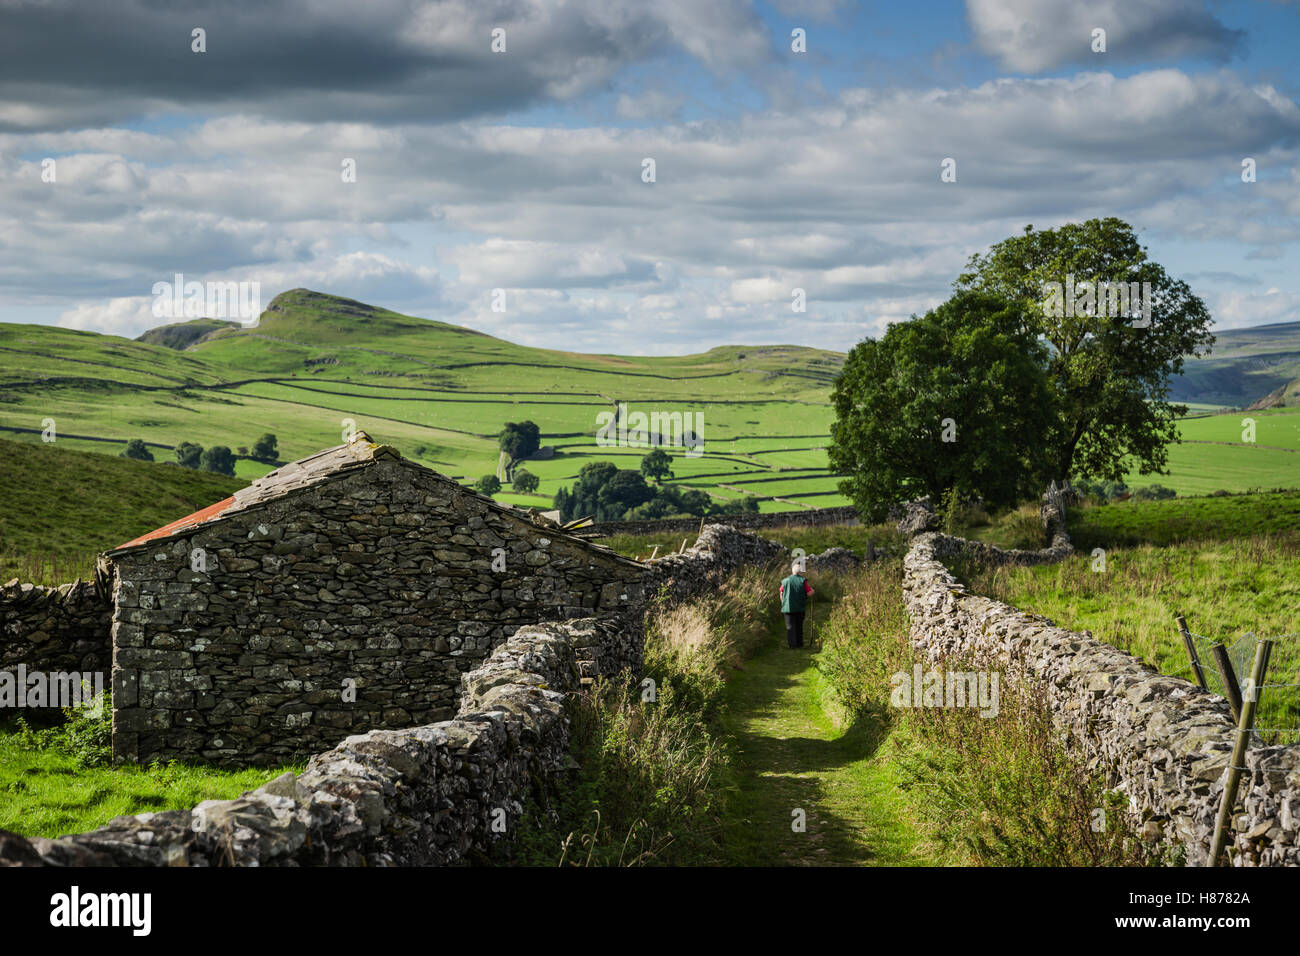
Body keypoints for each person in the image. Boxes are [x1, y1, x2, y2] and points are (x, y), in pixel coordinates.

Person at [779, 560, 814, 649]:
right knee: (799, 626)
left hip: (787, 608)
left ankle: (792, 645)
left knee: (790, 627)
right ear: (800, 572)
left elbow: (781, 592)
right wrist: (812, 591)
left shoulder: (785, 581)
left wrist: (783, 602)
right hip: (799, 607)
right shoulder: (803, 581)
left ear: (792, 571)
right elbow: (809, 592)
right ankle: (799, 644)